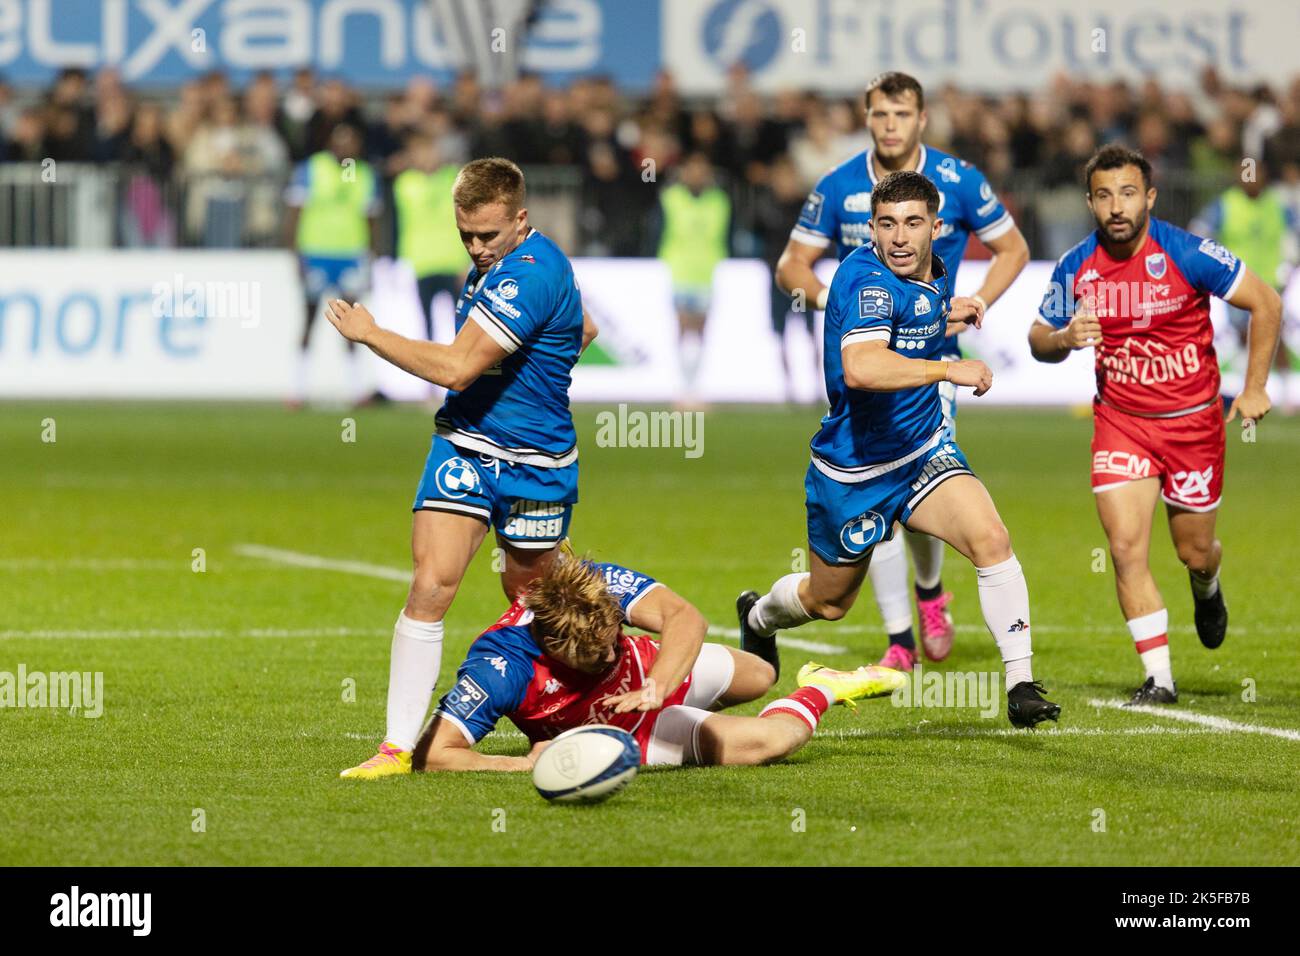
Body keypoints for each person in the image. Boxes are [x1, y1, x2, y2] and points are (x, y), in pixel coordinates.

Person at [739, 171, 1061, 730]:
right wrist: (947, 367)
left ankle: (1022, 684)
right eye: (887, 224)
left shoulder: (933, 272)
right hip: (854, 470)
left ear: (938, 227)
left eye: (913, 223)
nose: (900, 237)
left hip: (922, 451)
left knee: (991, 538)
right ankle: (759, 616)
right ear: (872, 228)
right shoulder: (862, 279)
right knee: (828, 602)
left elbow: (912, 316)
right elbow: (863, 367)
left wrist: (944, 314)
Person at [326, 158, 598, 778]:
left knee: (532, 598)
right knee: (432, 585)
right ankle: (397, 749)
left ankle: (566, 719)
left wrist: (370, 334)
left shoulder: (529, 274)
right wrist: (546, 364)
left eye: (488, 235)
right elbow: (584, 327)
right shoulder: (514, 266)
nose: (476, 248)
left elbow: (454, 369)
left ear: (520, 219)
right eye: (466, 235)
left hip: (537, 463)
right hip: (467, 447)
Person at [776, 72, 1031, 672]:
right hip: (865, 353)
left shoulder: (957, 181)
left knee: (919, 467)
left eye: (901, 114)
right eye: (879, 114)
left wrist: (967, 310)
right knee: (877, 484)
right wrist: (830, 303)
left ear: (922, 120)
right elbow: (792, 264)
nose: (890, 125)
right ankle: (900, 633)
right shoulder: (839, 186)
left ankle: (926, 602)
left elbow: (1013, 249)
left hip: (925, 353)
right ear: (867, 119)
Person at [1029, 145, 1282, 705]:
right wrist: (1065, 339)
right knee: (1124, 548)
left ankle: (1207, 584)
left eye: (1126, 193)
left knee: (1193, 550)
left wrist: (1258, 386)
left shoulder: (1187, 253)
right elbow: (1037, 339)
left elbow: (1266, 302)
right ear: (1090, 203)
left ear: (1149, 197)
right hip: (1122, 424)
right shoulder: (1076, 265)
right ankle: (1159, 680)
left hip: (1194, 426)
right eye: (1102, 195)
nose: (1115, 206)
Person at [415, 558, 902, 772]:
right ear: (555, 648)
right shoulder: (501, 666)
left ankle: (758, 625)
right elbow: (433, 753)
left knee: (761, 676)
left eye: (614, 640)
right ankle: (827, 686)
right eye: (596, 656)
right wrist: (521, 765)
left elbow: (684, 617)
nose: (610, 656)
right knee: (771, 742)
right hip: (625, 729)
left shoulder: (597, 582)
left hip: (650, 675)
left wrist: (656, 683)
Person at [283, 121, 380, 405]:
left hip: (350, 255)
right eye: (341, 141)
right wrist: (295, 254)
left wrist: (371, 257)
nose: (345, 148)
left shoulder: (364, 175)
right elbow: (294, 214)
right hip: (316, 254)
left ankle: (355, 389)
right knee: (310, 318)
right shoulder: (311, 169)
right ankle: (297, 389)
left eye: (351, 142)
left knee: (351, 323)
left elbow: (372, 220)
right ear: (331, 144)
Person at [1190, 161, 1297, 413]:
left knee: (1274, 334)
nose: (1251, 179)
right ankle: (1245, 391)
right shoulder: (1226, 204)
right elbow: (1199, 232)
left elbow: (1295, 233)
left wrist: (1289, 265)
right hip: (1237, 282)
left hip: (1271, 280)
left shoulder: (1277, 204)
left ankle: (1284, 395)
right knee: (1242, 333)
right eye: (1246, 174)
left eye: (1256, 174)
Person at [655, 151, 731, 408]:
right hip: (679, 272)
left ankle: (694, 388)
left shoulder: (719, 200)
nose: (697, 174)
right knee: (682, 329)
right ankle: (683, 388)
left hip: (706, 273)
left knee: (701, 332)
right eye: (693, 168)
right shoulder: (671, 198)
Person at [392, 132, 470, 343]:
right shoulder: (405, 183)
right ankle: (431, 372)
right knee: (426, 324)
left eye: (430, 152)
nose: (426, 158)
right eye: (420, 153)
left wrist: (467, 259)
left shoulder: (454, 178)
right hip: (422, 262)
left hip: (453, 263)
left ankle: (464, 370)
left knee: (462, 323)